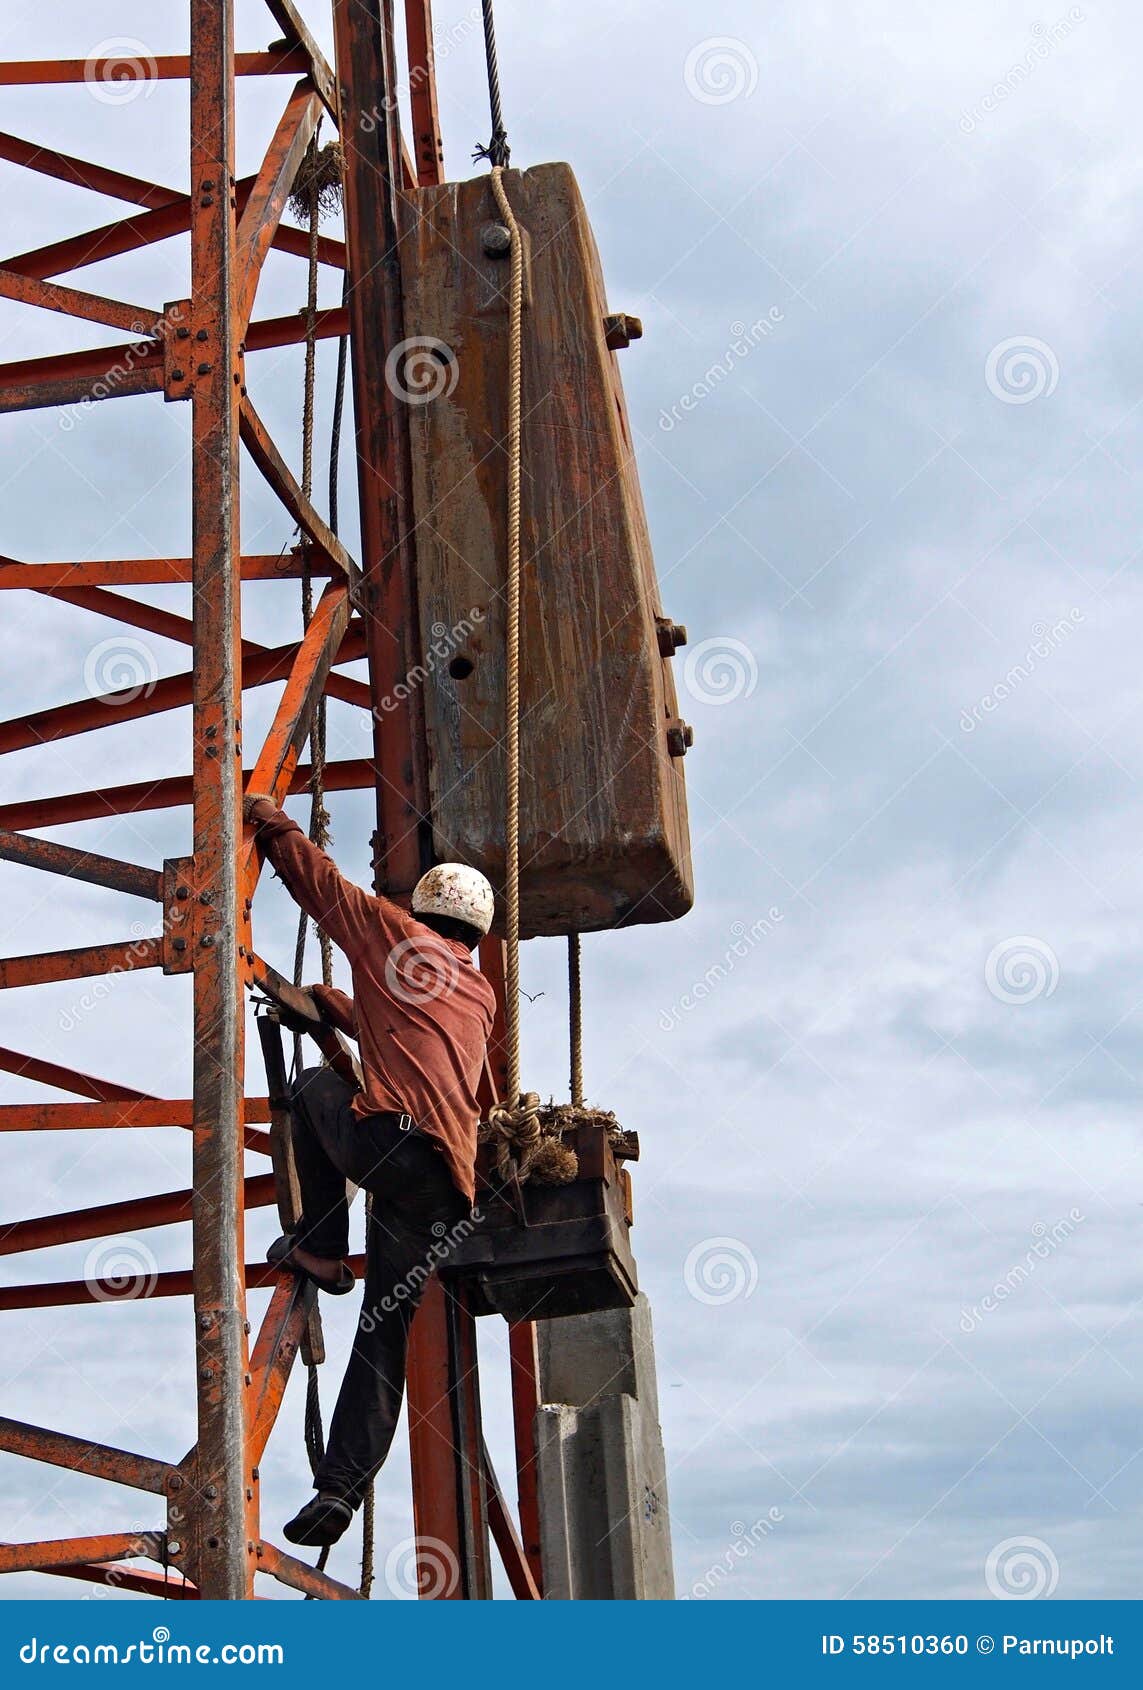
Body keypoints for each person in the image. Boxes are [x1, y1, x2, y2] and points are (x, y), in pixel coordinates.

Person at [243, 793, 497, 1548]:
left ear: (419, 909)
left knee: (314, 1088)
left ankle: (320, 1245)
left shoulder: (392, 933)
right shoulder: (480, 992)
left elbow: (320, 886)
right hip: (444, 1183)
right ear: (476, 934)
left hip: (390, 1147)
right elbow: (422, 1042)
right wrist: (341, 1009)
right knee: (383, 1331)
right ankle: (340, 1490)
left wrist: (270, 821)